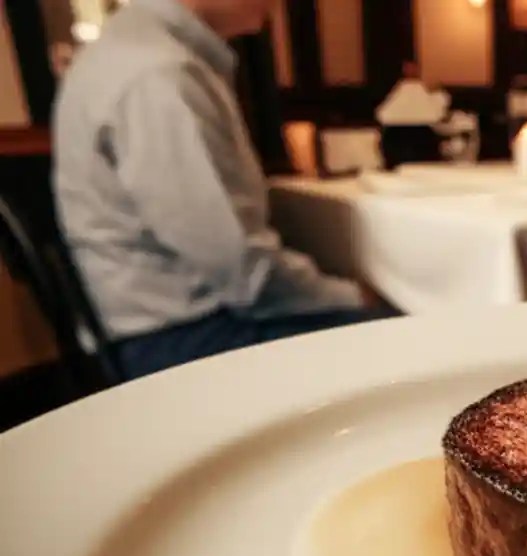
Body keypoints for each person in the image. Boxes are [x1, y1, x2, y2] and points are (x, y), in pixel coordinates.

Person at [52, 0, 389, 380]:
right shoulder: (159, 72)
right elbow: (242, 273)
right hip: (181, 340)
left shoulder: (135, 51)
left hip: (150, 329)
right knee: (402, 330)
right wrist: (351, 295)